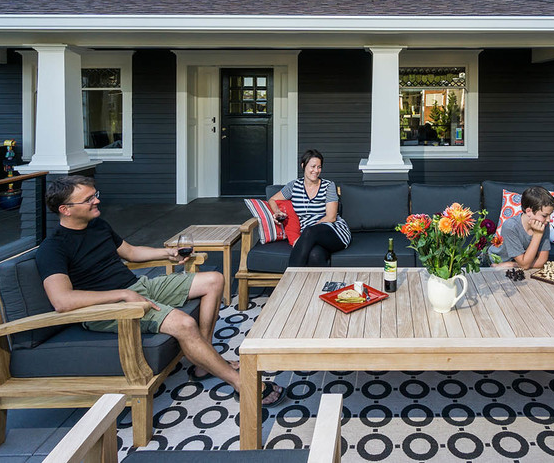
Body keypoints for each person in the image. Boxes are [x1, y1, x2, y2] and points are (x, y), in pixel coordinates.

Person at [36, 175, 285, 406]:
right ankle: (239, 382)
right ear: (65, 209)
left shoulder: (98, 225)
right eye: (89, 199)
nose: (97, 200)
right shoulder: (53, 247)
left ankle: (203, 361)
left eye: (95, 194)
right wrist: (122, 295)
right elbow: (62, 300)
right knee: (184, 323)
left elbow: (131, 252)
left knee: (214, 280)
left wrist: (167, 253)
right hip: (107, 308)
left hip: (137, 287)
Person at [268, 149, 351, 266]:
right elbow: (272, 200)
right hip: (310, 237)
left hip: (333, 232)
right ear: (303, 165)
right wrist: (277, 212)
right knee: (315, 255)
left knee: (310, 231)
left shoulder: (328, 186)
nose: (316, 171)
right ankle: (321, 284)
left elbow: (331, 217)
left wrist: (305, 236)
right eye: (313, 166)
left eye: (319, 167)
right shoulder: (294, 186)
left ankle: (291, 278)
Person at [489, 186, 554, 269]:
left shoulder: (543, 224)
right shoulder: (510, 226)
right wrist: (538, 234)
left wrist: (512, 265)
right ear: (528, 211)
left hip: (516, 264)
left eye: (550, 215)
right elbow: (524, 265)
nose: (549, 219)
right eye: (544, 215)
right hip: (497, 264)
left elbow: (541, 261)